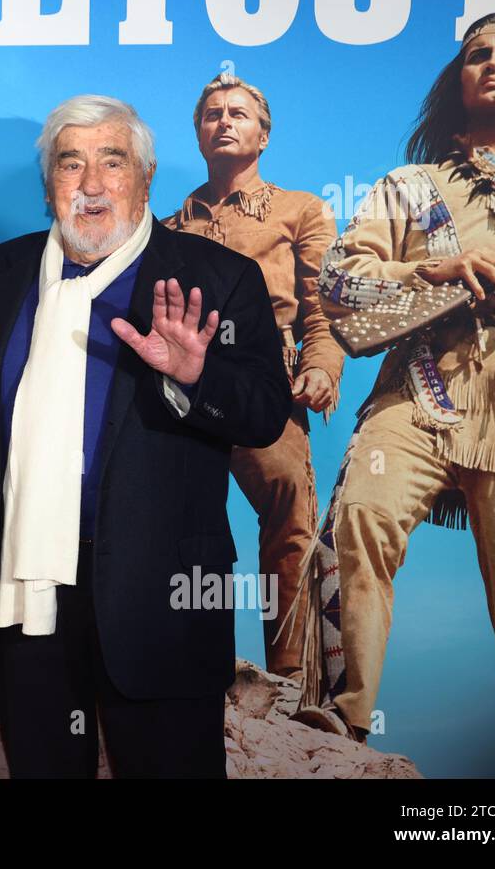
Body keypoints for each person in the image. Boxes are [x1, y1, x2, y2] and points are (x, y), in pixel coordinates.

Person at [0, 94, 291, 777]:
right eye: (69, 163)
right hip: (32, 598)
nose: (89, 184)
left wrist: (195, 379)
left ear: (145, 180)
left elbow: (263, 414)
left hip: (162, 599)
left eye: (111, 162)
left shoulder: (219, 278)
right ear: (48, 182)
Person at [298, 12, 495, 777]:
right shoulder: (409, 187)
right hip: (418, 387)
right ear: (457, 82)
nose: (491, 62)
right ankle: (336, 724)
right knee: (357, 520)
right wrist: (435, 272)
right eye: (476, 54)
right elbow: (338, 281)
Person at [164, 74, 343, 678]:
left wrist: (320, 366)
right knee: (179, 518)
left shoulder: (301, 210)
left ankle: (292, 679)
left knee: (292, 504)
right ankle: (187, 666)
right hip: (184, 385)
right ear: (197, 135)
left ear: (263, 134)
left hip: (266, 383)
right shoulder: (166, 228)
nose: (223, 121)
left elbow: (327, 303)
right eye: (211, 114)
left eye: (238, 113)